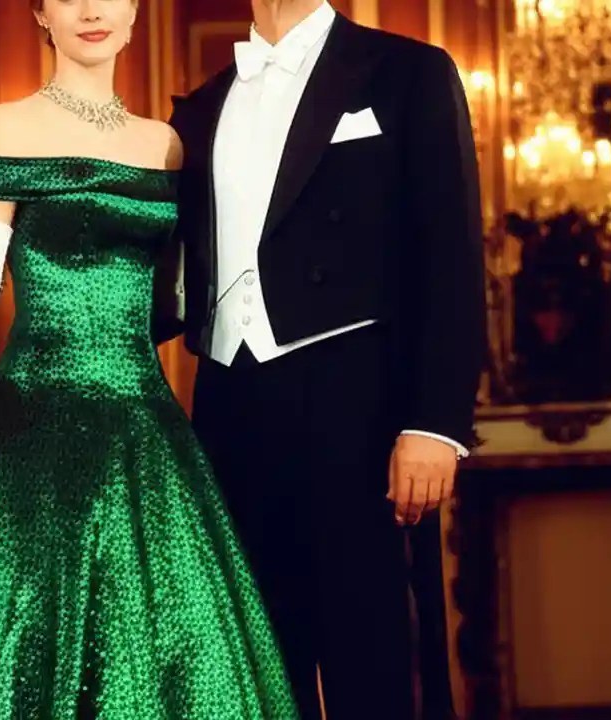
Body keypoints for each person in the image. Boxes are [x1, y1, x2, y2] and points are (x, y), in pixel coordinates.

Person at [0, 1, 298, 717]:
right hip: (23, 433)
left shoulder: (167, 146)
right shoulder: (8, 126)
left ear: (134, 14)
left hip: (143, 439)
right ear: (41, 14)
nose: (91, 9)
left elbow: (184, 293)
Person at [162, 1, 487, 717]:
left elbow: (451, 254)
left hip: (356, 412)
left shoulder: (409, 74)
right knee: (255, 679)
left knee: (372, 669)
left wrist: (435, 422)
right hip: (227, 410)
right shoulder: (202, 109)